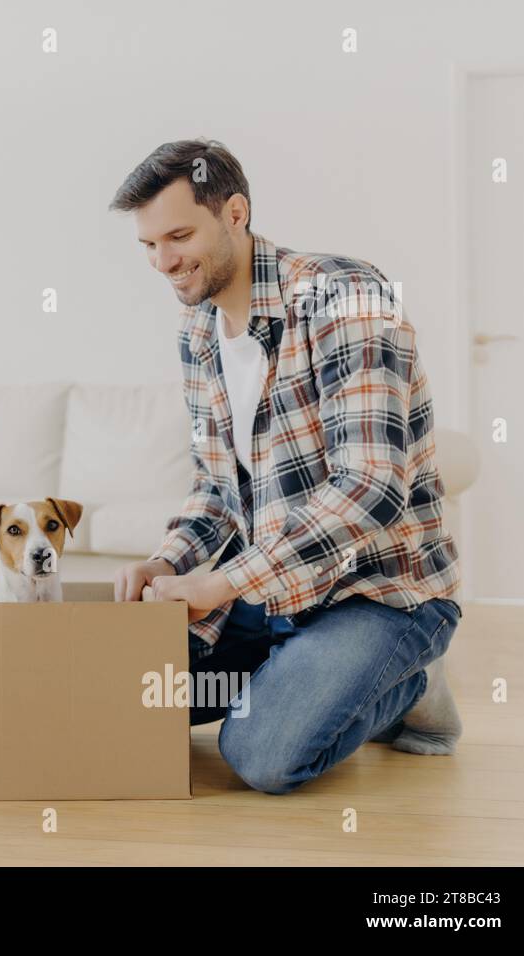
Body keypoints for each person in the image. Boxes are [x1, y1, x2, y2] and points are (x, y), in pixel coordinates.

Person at [109, 140, 464, 794]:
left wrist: (221, 585)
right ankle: (301, 671)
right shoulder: (197, 334)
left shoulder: (346, 297)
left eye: (179, 236)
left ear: (235, 213)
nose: (164, 262)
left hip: (379, 595)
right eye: (149, 245)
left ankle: (410, 677)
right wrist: (169, 564)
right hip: (271, 593)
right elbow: (217, 490)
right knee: (120, 695)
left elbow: (371, 489)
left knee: (263, 755)